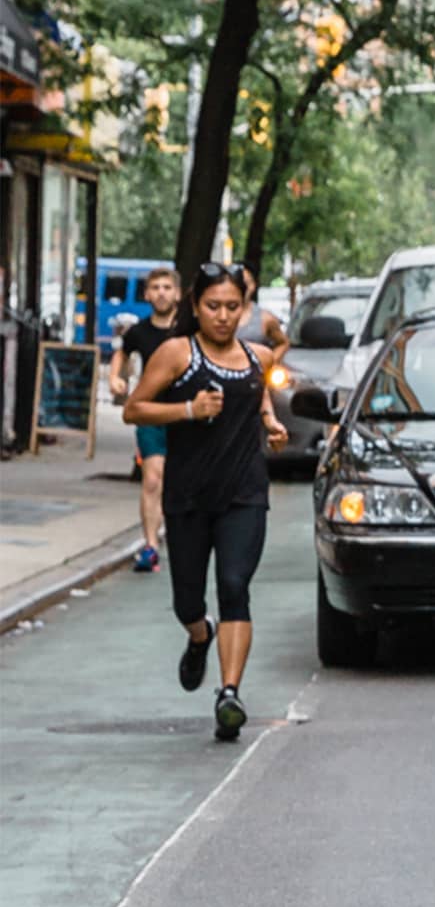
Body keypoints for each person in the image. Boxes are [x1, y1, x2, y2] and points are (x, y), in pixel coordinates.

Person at [123, 264, 289, 741]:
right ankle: (200, 635)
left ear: (245, 308)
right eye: (213, 306)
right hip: (189, 495)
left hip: (244, 494)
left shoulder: (257, 357)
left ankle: (229, 694)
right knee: (187, 602)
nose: (222, 316)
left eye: (232, 307)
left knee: (236, 585)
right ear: (195, 307)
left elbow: (260, 404)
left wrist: (272, 427)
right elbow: (135, 407)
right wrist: (189, 410)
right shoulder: (178, 353)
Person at [109, 266, 181, 572]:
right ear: (147, 294)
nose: (162, 292)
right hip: (150, 412)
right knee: (153, 479)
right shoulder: (139, 331)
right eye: (156, 287)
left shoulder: (187, 331)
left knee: (180, 483)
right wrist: (115, 378)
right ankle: (150, 545)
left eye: (167, 287)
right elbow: (121, 354)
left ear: (177, 293)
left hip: (185, 413)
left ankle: (183, 541)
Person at [236, 273, 290, 364]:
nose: (242, 289)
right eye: (237, 283)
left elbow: (283, 343)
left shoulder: (266, 318)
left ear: (253, 285)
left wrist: (269, 363)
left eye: (245, 284)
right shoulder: (214, 317)